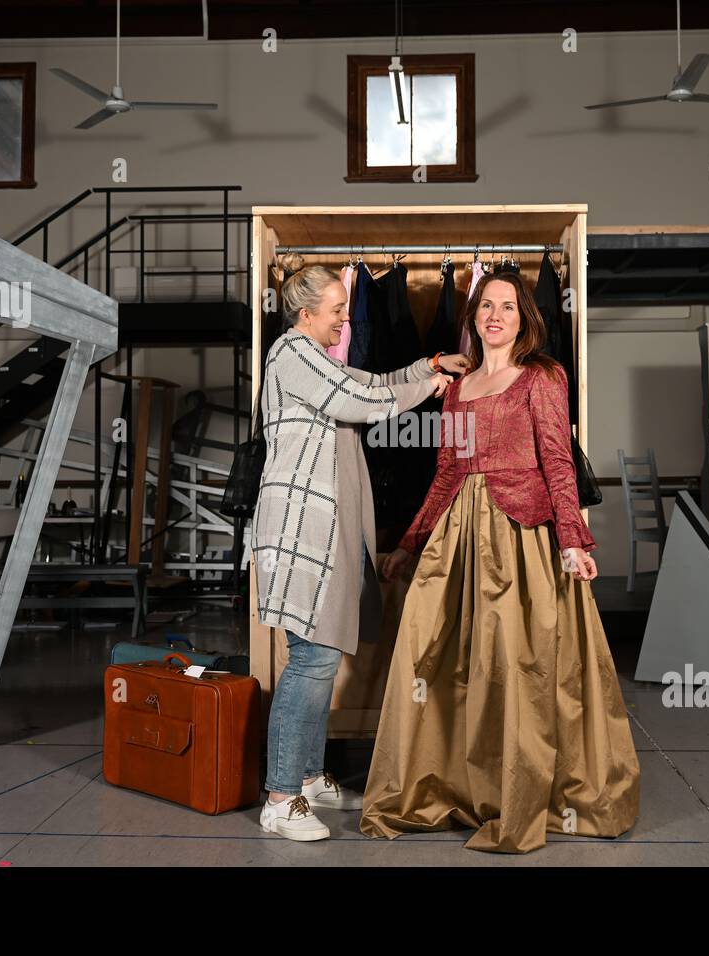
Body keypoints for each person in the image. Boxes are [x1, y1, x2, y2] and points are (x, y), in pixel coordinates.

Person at [360, 271, 640, 853]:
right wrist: (409, 544)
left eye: (507, 307)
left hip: (523, 539)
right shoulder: (459, 388)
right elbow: (447, 473)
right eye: (486, 306)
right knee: (451, 664)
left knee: (523, 670)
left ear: (525, 318)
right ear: (473, 317)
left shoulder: (542, 376)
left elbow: (558, 462)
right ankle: (469, 786)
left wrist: (573, 541)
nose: (494, 316)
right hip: (461, 540)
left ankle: (527, 795)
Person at [253, 264, 469, 842]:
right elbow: (361, 403)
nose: (344, 320)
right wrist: (428, 387)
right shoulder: (289, 353)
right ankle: (280, 798)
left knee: (321, 657)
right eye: (336, 311)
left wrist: (428, 366)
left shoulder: (316, 357)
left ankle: (307, 774)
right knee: (311, 660)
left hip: (329, 530)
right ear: (305, 314)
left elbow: (369, 383)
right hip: (301, 529)